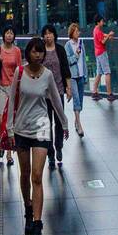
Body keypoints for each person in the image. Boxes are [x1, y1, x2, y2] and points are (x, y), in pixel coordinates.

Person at [5, 37, 69, 235]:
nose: (39, 54)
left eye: (41, 51)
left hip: (42, 129)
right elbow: (12, 98)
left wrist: (64, 122)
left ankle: (38, 224)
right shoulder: (20, 73)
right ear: (28, 53)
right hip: (22, 129)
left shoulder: (48, 75)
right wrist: (10, 129)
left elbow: (55, 100)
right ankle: (28, 207)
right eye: (35, 51)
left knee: (36, 177)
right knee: (24, 175)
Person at [41, 23, 72, 170]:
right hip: (44, 93)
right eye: (45, 33)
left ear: (54, 35)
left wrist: (68, 87)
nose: (48, 36)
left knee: (59, 121)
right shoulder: (40, 50)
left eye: (50, 33)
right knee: (47, 123)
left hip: (58, 90)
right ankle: (50, 153)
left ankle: (58, 146)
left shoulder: (60, 49)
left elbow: (65, 68)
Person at [0, 26, 24, 167]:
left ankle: (9, 152)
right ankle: (2, 141)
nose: (9, 35)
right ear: (4, 35)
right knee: (1, 120)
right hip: (1, 87)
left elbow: (20, 68)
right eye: (7, 32)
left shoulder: (17, 51)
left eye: (11, 33)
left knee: (9, 120)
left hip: (13, 88)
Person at [65, 22, 87, 136]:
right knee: (76, 100)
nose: (78, 33)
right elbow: (68, 61)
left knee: (81, 102)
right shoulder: (68, 45)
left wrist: (86, 75)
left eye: (79, 31)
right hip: (72, 77)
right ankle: (79, 125)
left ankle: (76, 120)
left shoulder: (81, 43)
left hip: (81, 76)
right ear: (72, 32)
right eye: (76, 31)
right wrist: (76, 55)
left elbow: (84, 61)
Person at [91, 14, 115, 102]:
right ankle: (109, 94)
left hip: (97, 53)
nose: (103, 22)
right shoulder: (97, 31)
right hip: (101, 53)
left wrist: (107, 35)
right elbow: (103, 41)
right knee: (107, 72)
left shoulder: (96, 30)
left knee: (99, 73)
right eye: (102, 21)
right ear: (98, 22)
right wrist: (109, 35)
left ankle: (94, 92)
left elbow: (102, 35)